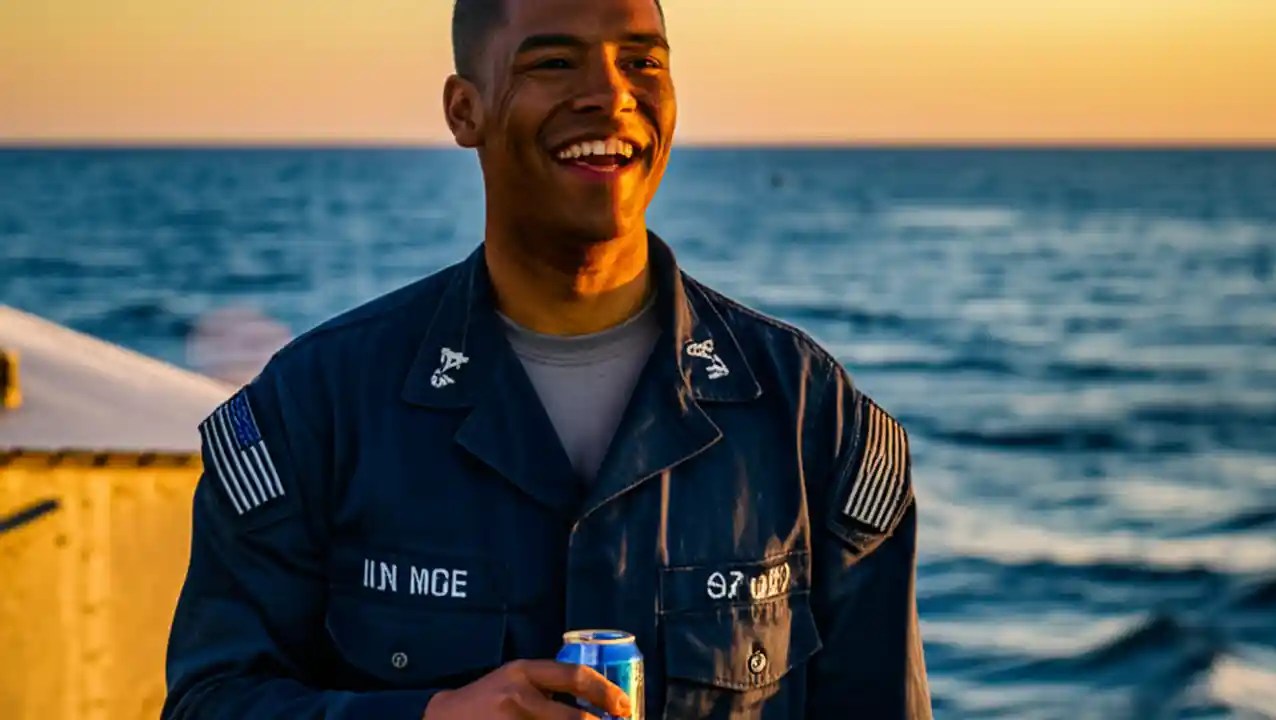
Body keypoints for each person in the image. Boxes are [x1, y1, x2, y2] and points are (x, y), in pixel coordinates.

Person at [161, 0, 932, 717]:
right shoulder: (316, 406)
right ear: (466, 111)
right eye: (554, 64)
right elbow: (210, 700)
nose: (611, 94)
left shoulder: (808, 415)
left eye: (643, 62)